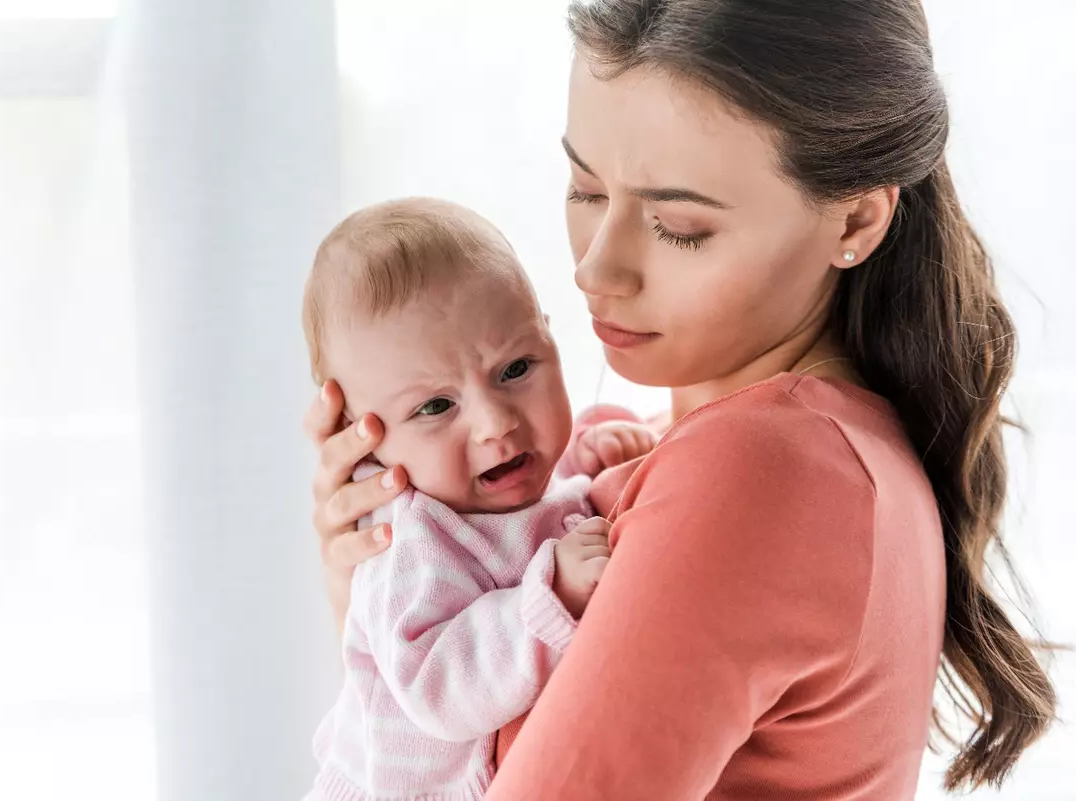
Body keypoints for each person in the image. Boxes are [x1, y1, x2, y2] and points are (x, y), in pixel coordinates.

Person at [303, 1, 1057, 797]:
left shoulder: (764, 468)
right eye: (585, 189)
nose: (595, 269)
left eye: (676, 224)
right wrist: (381, 590)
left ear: (859, 215)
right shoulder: (672, 449)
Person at [301, 197, 656, 800]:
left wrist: (588, 458)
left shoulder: (495, 484)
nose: (495, 423)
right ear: (365, 443)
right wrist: (550, 595)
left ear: (549, 335)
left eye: (516, 368)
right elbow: (438, 684)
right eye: (436, 406)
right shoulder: (413, 540)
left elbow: (538, 510)